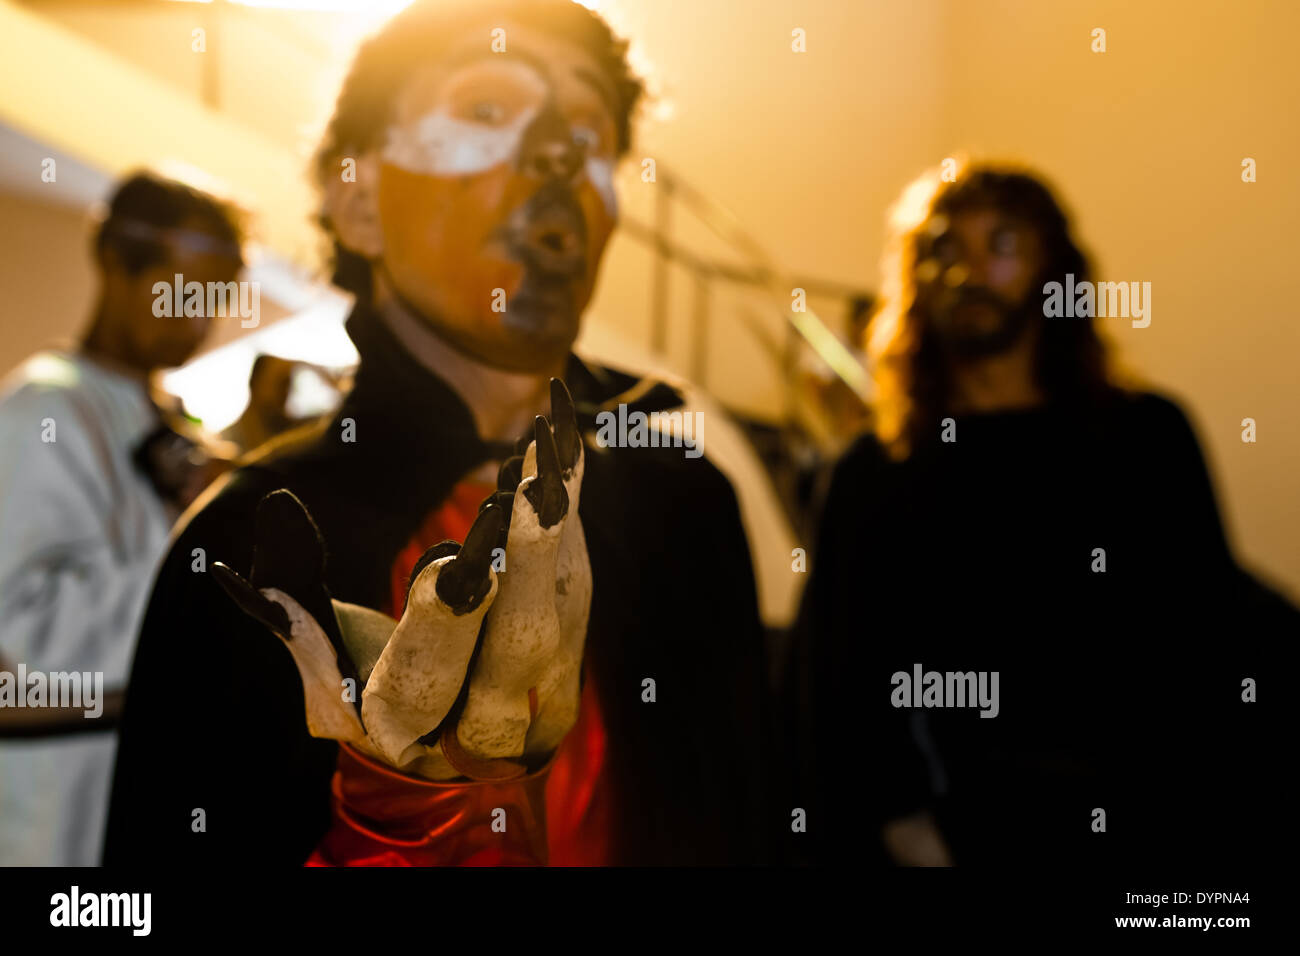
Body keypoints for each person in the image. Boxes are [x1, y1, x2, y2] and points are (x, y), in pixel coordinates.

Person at [105, 0, 774, 867]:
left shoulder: (683, 505)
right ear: (358, 200)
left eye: (591, 135)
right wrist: (392, 816)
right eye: (487, 110)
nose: (559, 154)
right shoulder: (255, 534)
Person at [787, 161, 1292, 867]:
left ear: (1053, 271)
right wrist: (911, 834)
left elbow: (1209, 645)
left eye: (1002, 244)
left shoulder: (1147, 439)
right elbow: (839, 689)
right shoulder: (872, 474)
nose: (969, 271)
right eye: (944, 249)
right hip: (958, 834)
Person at [0, 171, 243, 865]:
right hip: (55, 820)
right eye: (184, 289)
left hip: (141, 806)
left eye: (217, 296)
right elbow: (15, 639)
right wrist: (210, 566)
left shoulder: (179, 425)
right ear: (115, 261)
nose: (199, 318)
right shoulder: (46, 409)